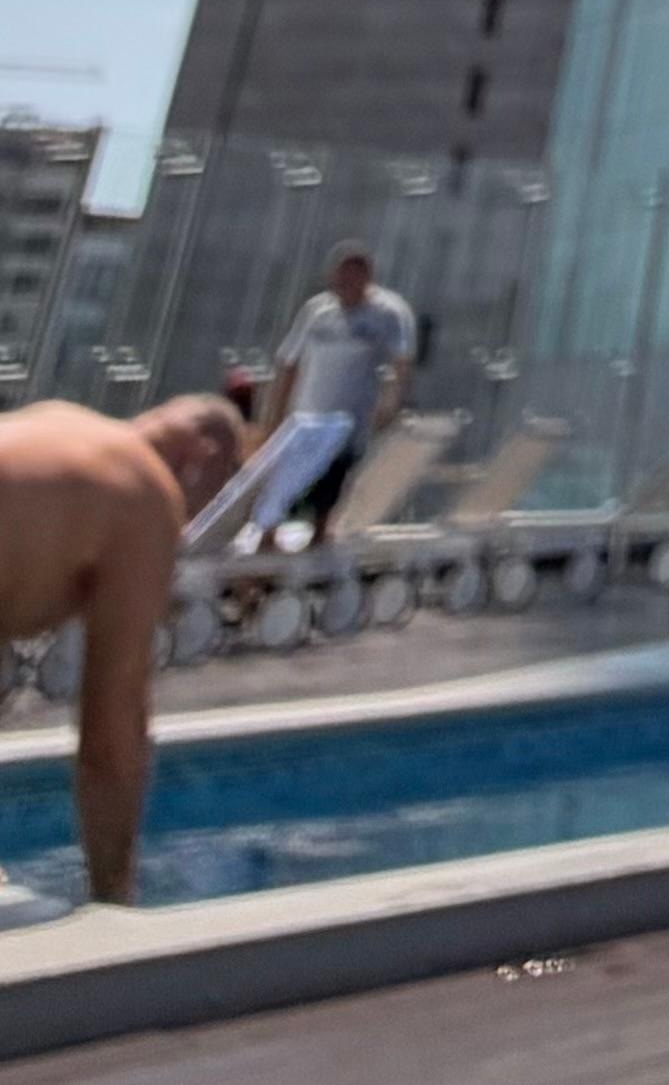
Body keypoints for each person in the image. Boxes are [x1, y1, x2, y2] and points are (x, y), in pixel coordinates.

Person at [0, 393, 247, 897]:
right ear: (198, 458)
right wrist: (115, 897)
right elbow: (110, 733)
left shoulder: (63, 426)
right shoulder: (143, 491)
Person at [256, 243, 418, 537]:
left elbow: (401, 362)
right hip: (306, 417)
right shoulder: (317, 311)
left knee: (328, 491)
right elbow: (289, 360)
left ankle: (319, 537)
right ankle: (267, 543)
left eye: (354, 278)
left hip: (347, 423)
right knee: (283, 489)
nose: (346, 285)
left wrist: (391, 403)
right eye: (341, 277)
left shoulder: (386, 315)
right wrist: (274, 413)